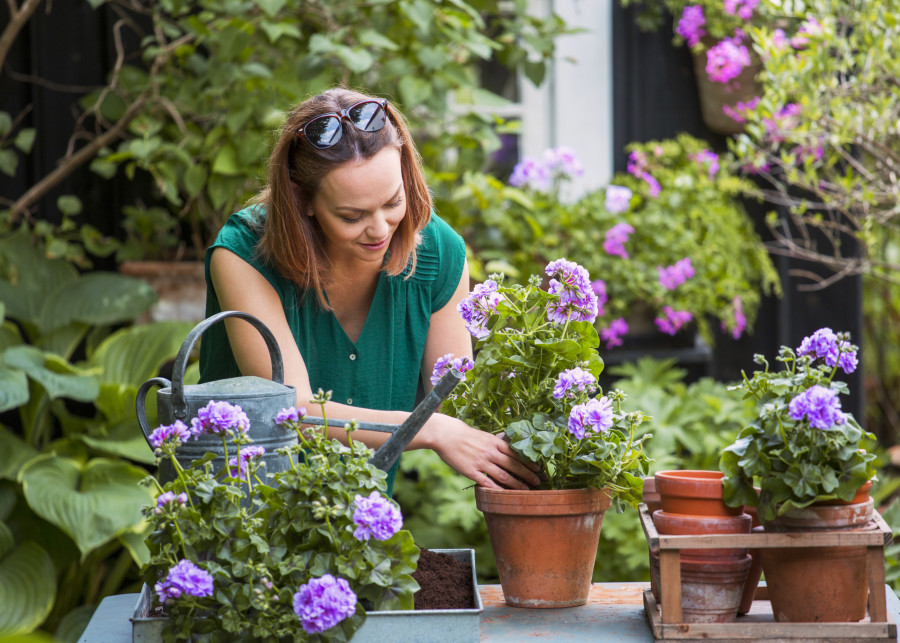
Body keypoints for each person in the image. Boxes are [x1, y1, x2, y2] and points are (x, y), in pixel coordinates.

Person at [198, 87, 539, 496]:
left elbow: (458, 401)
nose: (380, 229)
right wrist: (432, 430)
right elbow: (295, 413)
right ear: (302, 199)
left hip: (363, 527)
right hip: (244, 519)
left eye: (393, 201)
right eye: (352, 215)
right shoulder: (244, 255)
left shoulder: (440, 253)